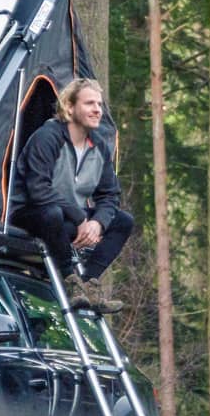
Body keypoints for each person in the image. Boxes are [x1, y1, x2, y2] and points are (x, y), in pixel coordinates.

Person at [15, 78, 135, 284]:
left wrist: (98, 223)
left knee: (123, 221)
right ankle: (68, 278)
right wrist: (80, 217)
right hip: (32, 215)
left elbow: (110, 194)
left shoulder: (98, 146)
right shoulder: (47, 137)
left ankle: (88, 284)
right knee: (52, 213)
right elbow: (39, 190)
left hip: (66, 221)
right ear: (69, 107)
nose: (97, 110)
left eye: (99, 104)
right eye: (89, 103)